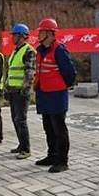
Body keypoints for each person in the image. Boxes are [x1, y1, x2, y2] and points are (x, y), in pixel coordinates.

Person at [34, 18, 76, 173]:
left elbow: (70, 73)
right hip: (44, 95)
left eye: (42, 31)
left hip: (57, 96)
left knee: (59, 129)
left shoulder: (59, 49)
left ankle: (62, 161)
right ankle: (51, 155)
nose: (39, 34)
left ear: (50, 34)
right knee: (48, 128)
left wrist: (62, 86)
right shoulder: (40, 50)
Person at [4, 23, 36, 159]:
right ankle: (21, 145)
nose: (13, 38)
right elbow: (11, 71)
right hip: (12, 90)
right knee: (15, 119)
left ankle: (26, 149)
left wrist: (26, 88)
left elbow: (30, 72)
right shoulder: (15, 51)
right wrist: (6, 86)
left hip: (21, 92)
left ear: (22, 36)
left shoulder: (29, 51)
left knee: (21, 120)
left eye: (15, 35)